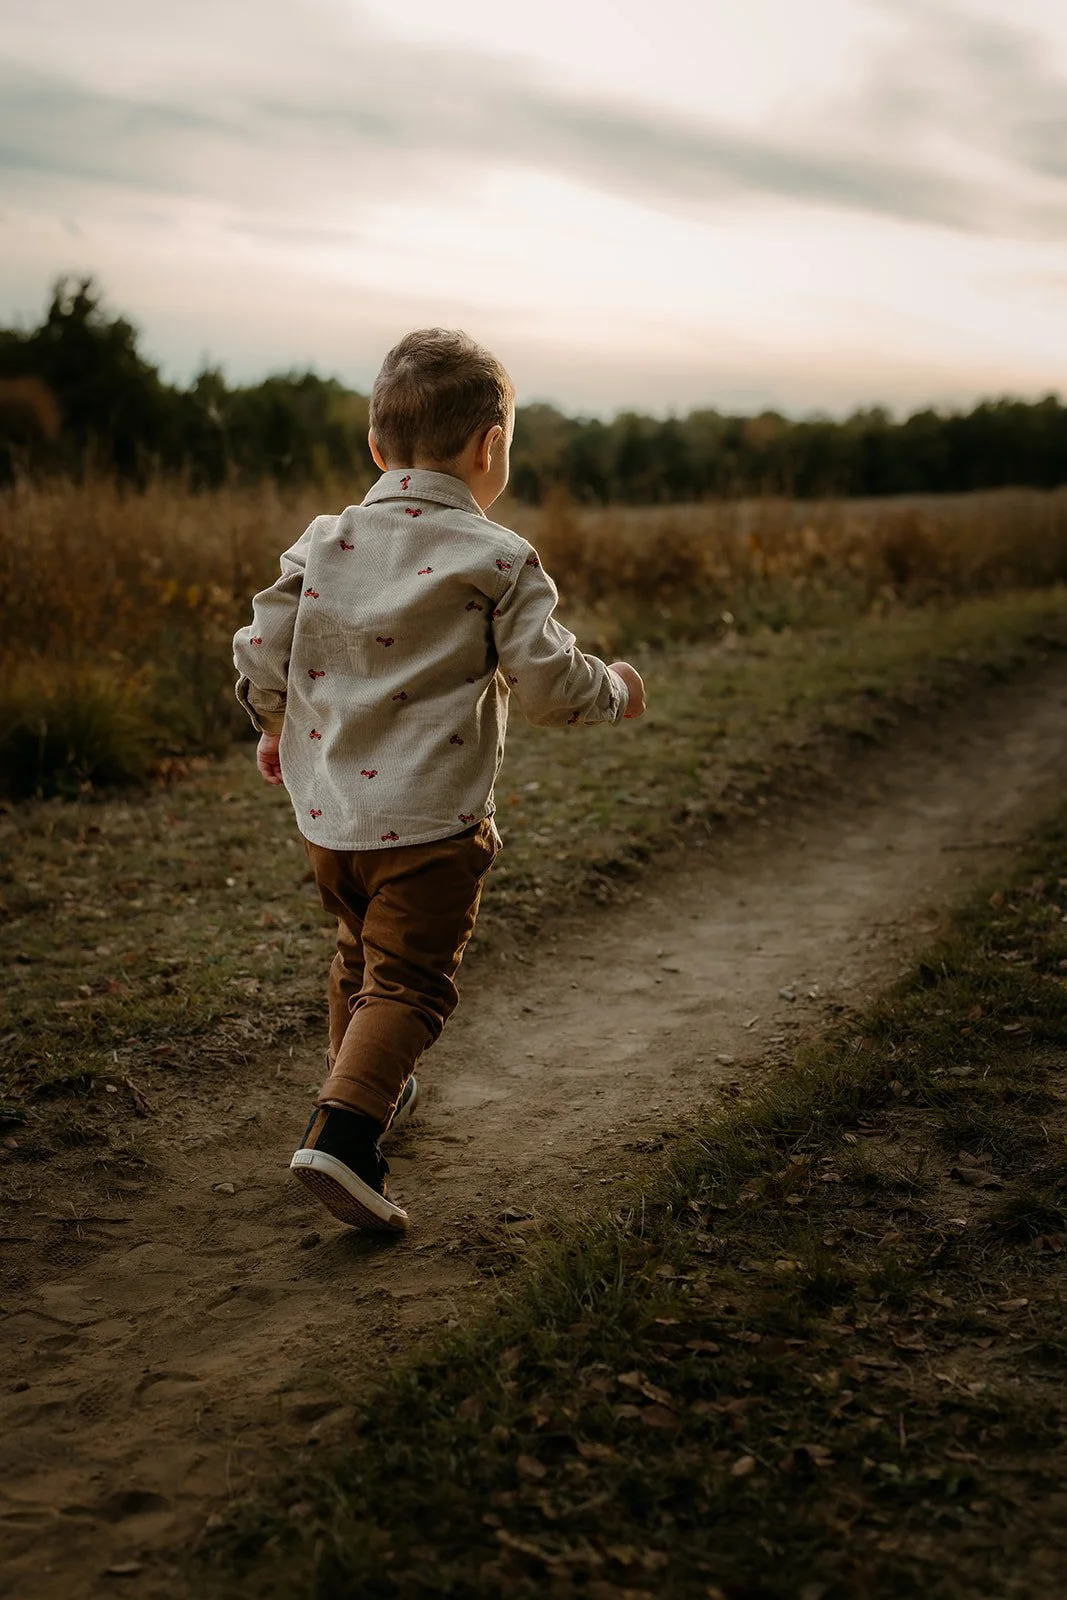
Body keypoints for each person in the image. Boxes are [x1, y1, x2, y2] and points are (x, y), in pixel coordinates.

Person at [233, 329, 646, 1233]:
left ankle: (370, 1085)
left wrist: (272, 726)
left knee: (359, 953)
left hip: (330, 821)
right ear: (490, 446)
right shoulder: (497, 557)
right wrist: (611, 689)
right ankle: (343, 1136)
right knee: (411, 982)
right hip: (431, 825)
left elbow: (263, 649)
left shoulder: (322, 544)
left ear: (377, 447)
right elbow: (546, 682)